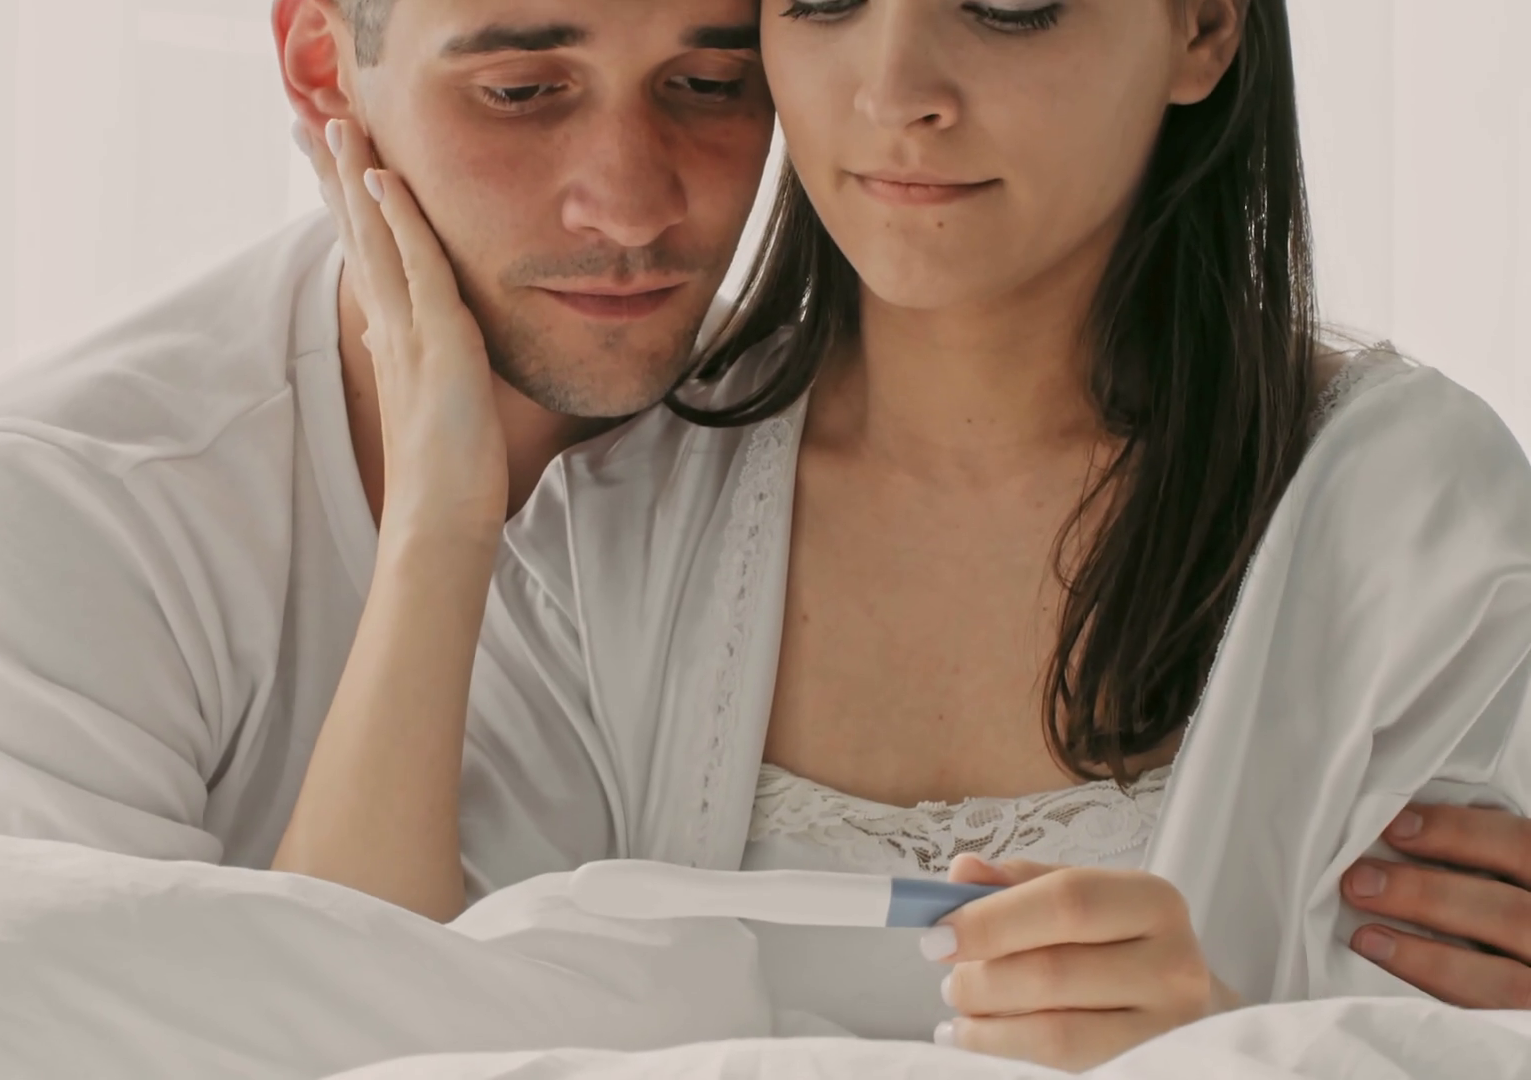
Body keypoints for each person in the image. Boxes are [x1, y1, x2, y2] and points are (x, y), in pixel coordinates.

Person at [274, 0, 1531, 1067]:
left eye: (1006, 2)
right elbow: (314, 1009)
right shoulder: (626, 509)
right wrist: (446, 515)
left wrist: (1223, 1046)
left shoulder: (1405, 516)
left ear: (1201, 27)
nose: (895, 91)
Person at [0, 0, 773, 869]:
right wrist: (442, 527)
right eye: (520, 92)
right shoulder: (69, 509)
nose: (629, 207)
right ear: (323, 68)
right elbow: (178, 1018)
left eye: (709, 82)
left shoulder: (827, 447)